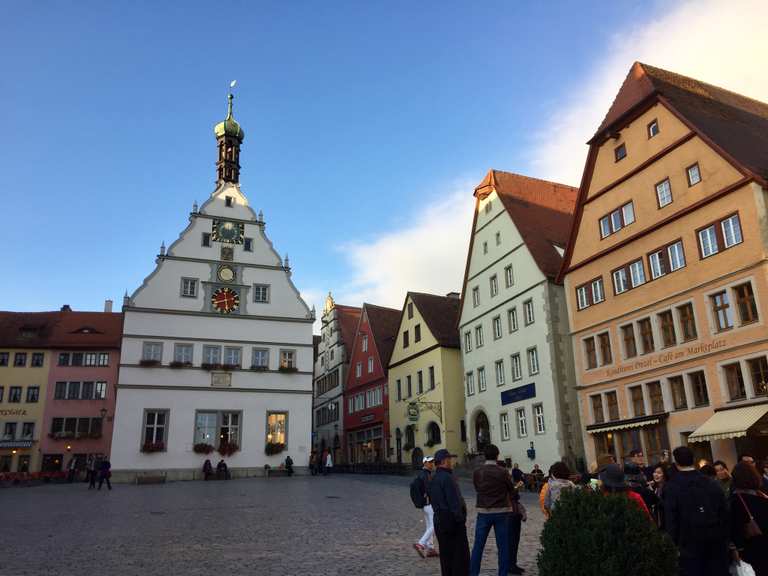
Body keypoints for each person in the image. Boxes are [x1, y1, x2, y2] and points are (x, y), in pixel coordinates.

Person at [664, 446, 729, 576]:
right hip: (715, 541)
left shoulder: (672, 487)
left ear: (676, 463)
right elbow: (724, 512)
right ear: (693, 460)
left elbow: (671, 519)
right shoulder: (711, 483)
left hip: (689, 544)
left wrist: (673, 544)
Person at [468, 445, 513, 576]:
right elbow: (510, 489)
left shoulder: (478, 472)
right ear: (497, 456)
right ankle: (502, 573)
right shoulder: (503, 471)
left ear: (484, 456)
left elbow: (477, 488)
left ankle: (473, 573)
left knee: (478, 546)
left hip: (483, 511)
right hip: (501, 510)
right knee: (503, 546)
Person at [427, 449, 469, 576]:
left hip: (439, 521)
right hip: (452, 522)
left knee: (446, 558)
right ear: (445, 461)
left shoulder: (433, 478)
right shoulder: (448, 478)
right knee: (459, 558)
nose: (451, 461)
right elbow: (454, 502)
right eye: (449, 459)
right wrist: (460, 519)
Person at [731, 462, 768, 575]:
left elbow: (735, 527)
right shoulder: (762, 495)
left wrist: (738, 548)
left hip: (752, 545)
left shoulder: (736, 500)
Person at [412, 456, 437, 558]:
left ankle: (430, 549)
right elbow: (429, 490)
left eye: (432, 462)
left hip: (424, 505)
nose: (432, 464)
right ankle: (421, 544)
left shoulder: (422, 474)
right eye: (429, 462)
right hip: (429, 504)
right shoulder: (426, 475)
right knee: (435, 525)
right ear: (425, 463)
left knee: (429, 526)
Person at [649, 463, 670, 529]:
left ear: (664, 475)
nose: (656, 475)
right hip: (657, 521)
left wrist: (652, 494)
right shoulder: (655, 487)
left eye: (659, 473)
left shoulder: (668, 488)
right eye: (654, 472)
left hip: (666, 522)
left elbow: (666, 505)